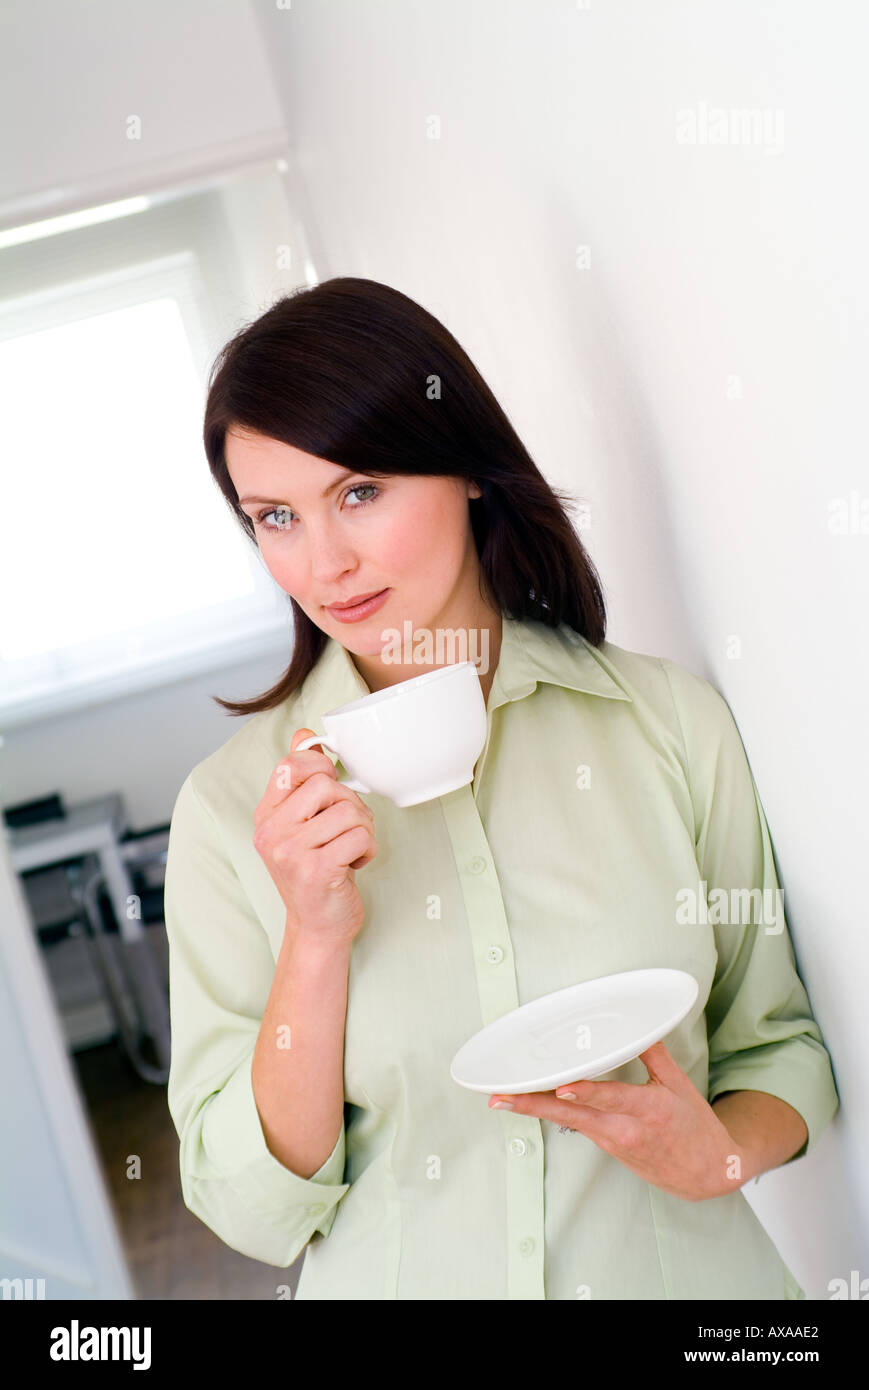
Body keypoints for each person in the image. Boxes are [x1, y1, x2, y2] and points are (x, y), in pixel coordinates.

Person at [163, 277, 838, 1300]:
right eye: (276, 516)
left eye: (359, 492)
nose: (325, 562)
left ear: (466, 469)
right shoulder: (228, 815)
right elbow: (252, 1212)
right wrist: (313, 939)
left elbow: (777, 1047)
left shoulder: (665, 723)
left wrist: (719, 1156)